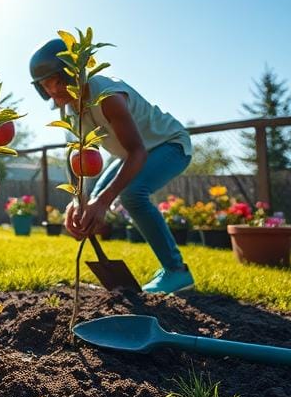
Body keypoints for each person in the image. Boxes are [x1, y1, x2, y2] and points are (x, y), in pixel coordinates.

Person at [29, 38, 194, 294]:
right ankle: (167, 270)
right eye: (45, 84)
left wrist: (104, 202)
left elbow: (137, 152)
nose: (52, 90)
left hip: (169, 145)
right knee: (92, 200)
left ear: (75, 72)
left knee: (132, 195)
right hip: (129, 155)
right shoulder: (69, 107)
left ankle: (177, 271)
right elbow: (79, 155)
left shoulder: (108, 96)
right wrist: (78, 200)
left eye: (57, 80)